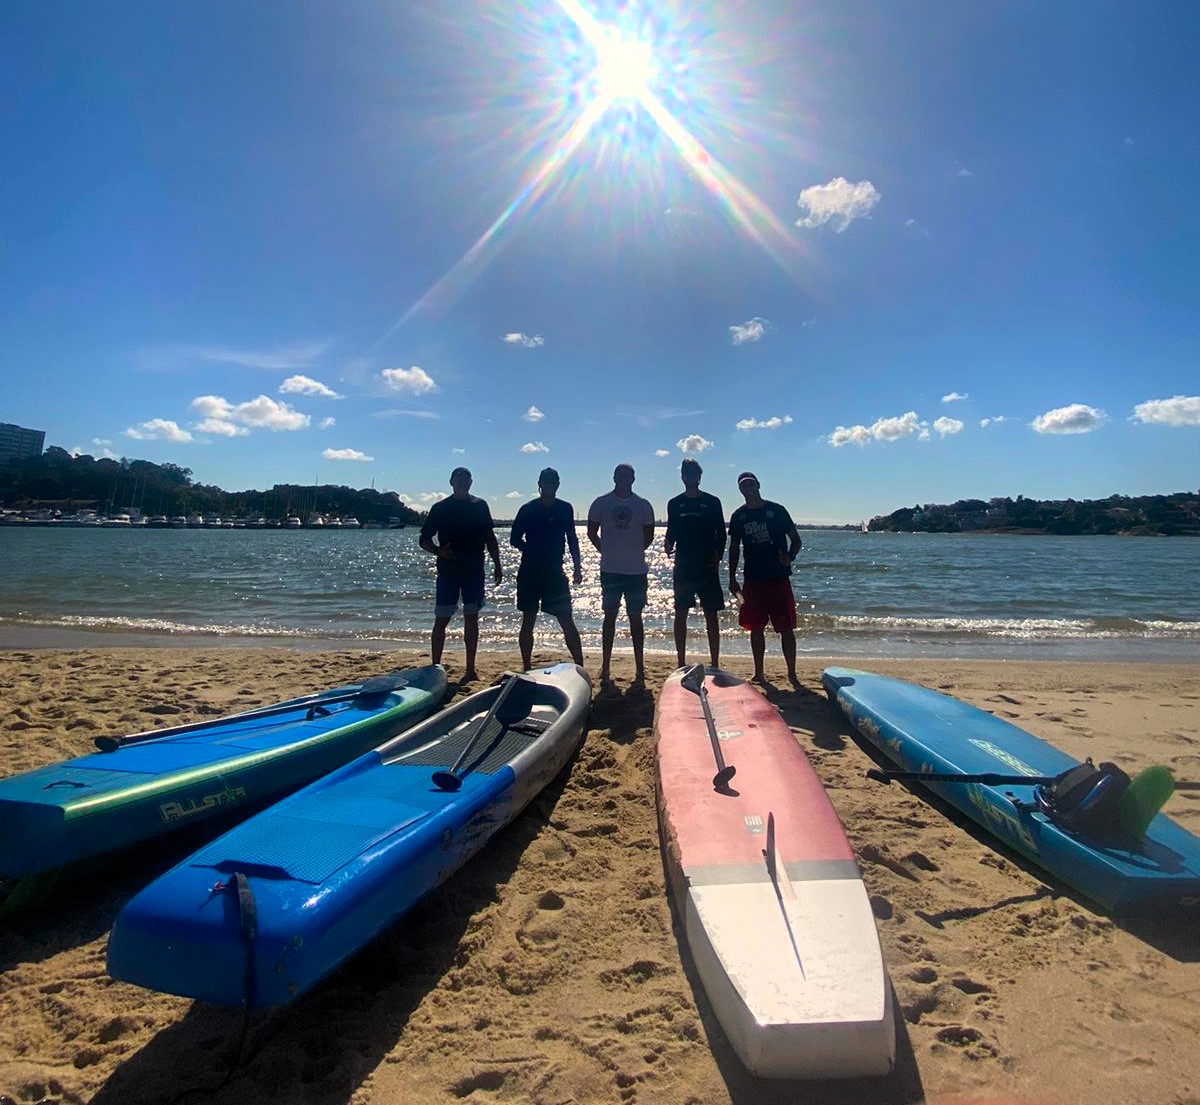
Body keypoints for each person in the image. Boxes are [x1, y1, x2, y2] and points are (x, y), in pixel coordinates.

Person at [418, 467, 502, 681]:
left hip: (474, 570)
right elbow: (424, 540)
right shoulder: (440, 508)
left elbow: (489, 537)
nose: (463, 483)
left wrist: (498, 564)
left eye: (466, 480)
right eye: (459, 479)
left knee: (472, 618)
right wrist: (438, 551)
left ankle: (470, 669)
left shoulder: (480, 505)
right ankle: (435, 667)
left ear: (471, 483)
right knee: (441, 619)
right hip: (449, 571)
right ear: (451, 482)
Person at [727, 471, 802, 683]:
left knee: (786, 628)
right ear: (740, 490)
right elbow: (734, 548)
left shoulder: (777, 511)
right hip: (753, 579)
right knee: (756, 628)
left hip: (778, 578)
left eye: (751, 484)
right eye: (744, 486)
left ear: (758, 485)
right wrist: (731, 577)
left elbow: (796, 540)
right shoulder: (738, 516)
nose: (748, 489)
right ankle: (759, 673)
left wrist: (790, 556)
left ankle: (792, 673)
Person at [510, 467, 585, 670]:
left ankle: (580, 664)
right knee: (528, 620)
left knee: (566, 619)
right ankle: (526, 666)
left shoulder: (565, 508)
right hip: (530, 571)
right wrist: (531, 549)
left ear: (557, 485)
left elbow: (572, 539)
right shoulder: (528, 509)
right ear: (539, 484)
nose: (549, 486)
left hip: (555, 572)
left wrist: (578, 566)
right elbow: (514, 538)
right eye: (546, 482)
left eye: (553, 482)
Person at [587, 463, 655, 682]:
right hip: (610, 570)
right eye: (620, 475)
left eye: (628, 475)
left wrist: (632, 552)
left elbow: (649, 535)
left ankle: (640, 668)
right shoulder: (601, 503)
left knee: (636, 618)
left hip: (636, 572)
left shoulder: (643, 505)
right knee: (609, 617)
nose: (624, 479)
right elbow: (591, 532)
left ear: (633, 479)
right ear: (614, 477)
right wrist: (606, 550)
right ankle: (605, 666)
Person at [664, 458, 726, 669]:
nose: (690, 476)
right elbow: (672, 530)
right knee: (681, 612)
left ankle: (715, 661)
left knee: (711, 614)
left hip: (707, 565)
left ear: (699, 476)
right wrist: (667, 542)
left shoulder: (712, 501)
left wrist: (718, 554)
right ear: (682, 477)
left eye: (694, 473)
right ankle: (680, 660)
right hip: (683, 565)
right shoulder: (674, 503)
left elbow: (721, 532)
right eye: (686, 473)